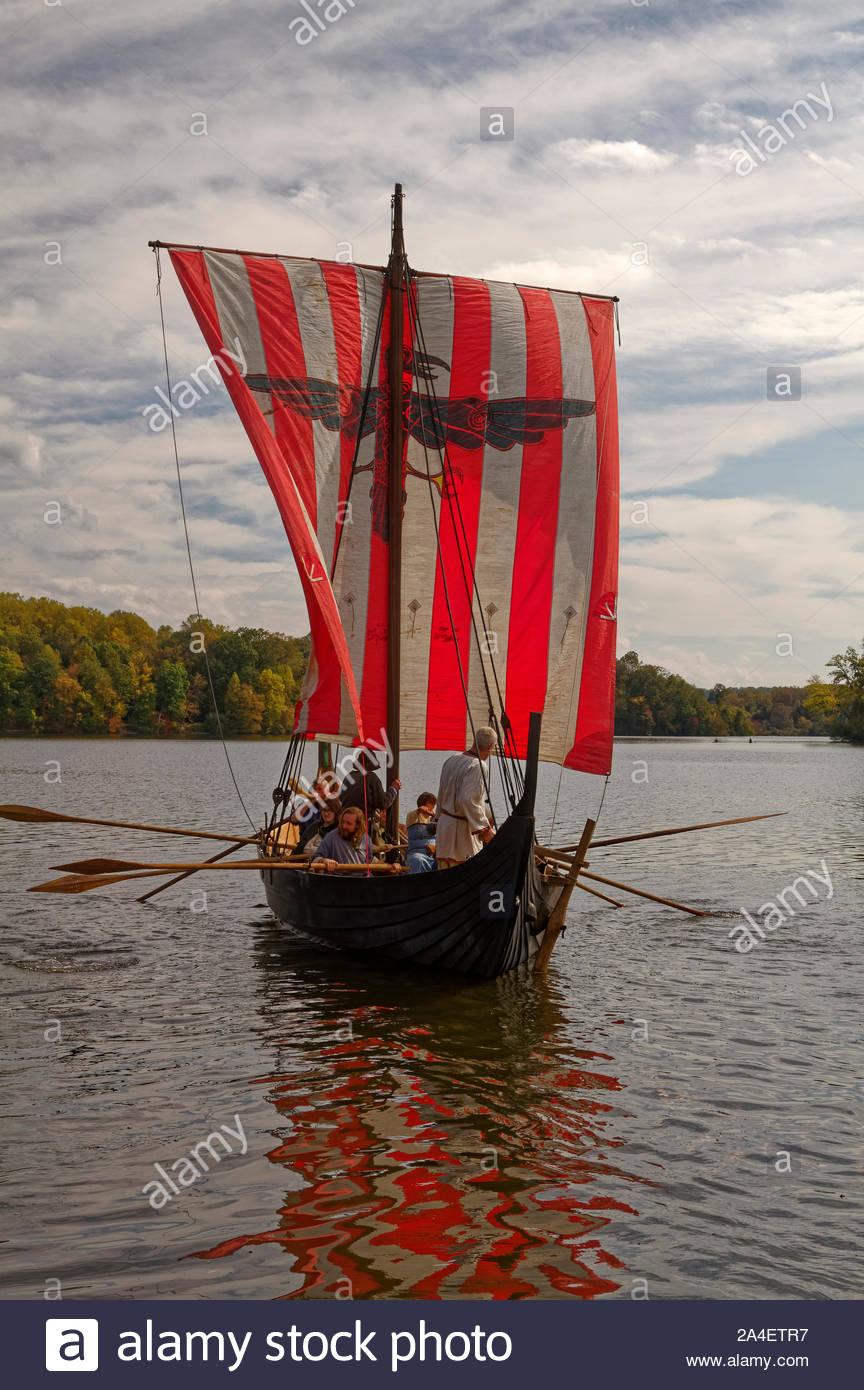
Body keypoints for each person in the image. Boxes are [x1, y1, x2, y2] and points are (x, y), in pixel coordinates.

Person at [435, 726, 497, 867]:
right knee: (464, 874)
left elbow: (441, 791)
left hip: (444, 828)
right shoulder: (478, 766)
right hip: (461, 834)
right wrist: (485, 829)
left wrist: (439, 818)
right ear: (491, 747)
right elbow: (468, 800)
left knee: (444, 876)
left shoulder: (451, 759)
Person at [339, 748, 401, 817]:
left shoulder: (349, 776)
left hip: (345, 819)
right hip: (362, 822)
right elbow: (383, 803)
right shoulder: (371, 777)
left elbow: (341, 798)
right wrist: (394, 789)